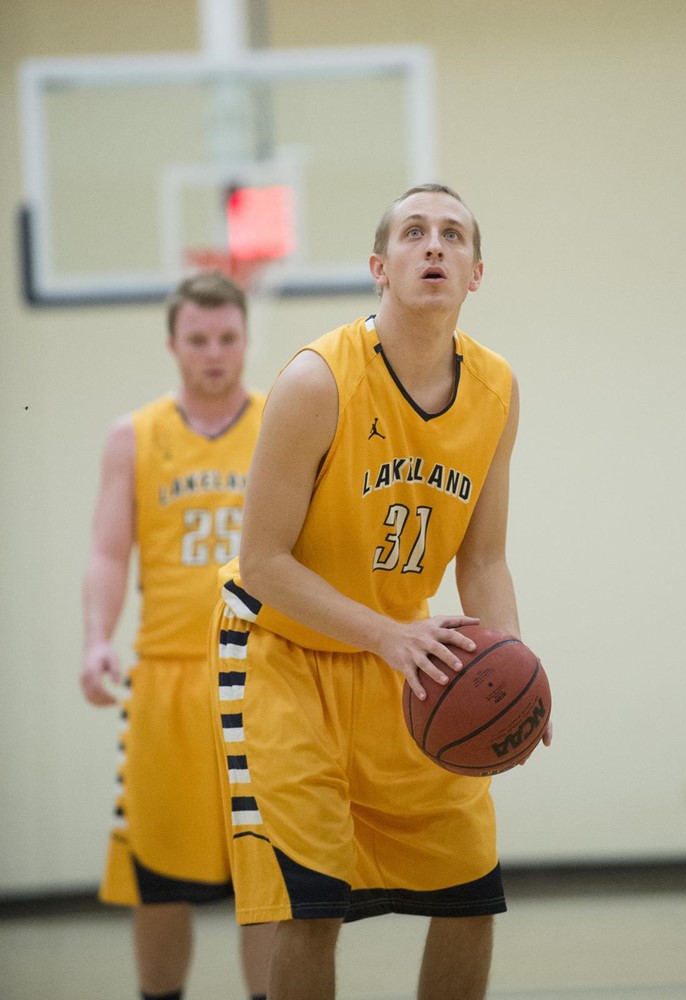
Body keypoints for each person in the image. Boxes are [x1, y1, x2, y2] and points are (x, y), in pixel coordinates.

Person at [209, 184, 553, 1000]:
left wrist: (511, 666)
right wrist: (389, 637)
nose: (432, 245)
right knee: (313, 908)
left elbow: (483, 561)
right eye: (412, 233)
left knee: (470, 896)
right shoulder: (315, 381)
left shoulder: (496, 391)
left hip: (407, 659)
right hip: (282, 655)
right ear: (378, 267)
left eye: (451, 235)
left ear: (475, 273)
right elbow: (260, 563)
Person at [81, 271, 275, 1000]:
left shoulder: (284, 423)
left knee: (267, 879)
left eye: (228, 337)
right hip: (165, 679)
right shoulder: (133, 436)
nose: (214, 353)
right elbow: (107, 552)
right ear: (172, 344)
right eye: (197, 339)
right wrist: (96, 639)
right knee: (156, 879)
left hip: (265, 677)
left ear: (246, 340)